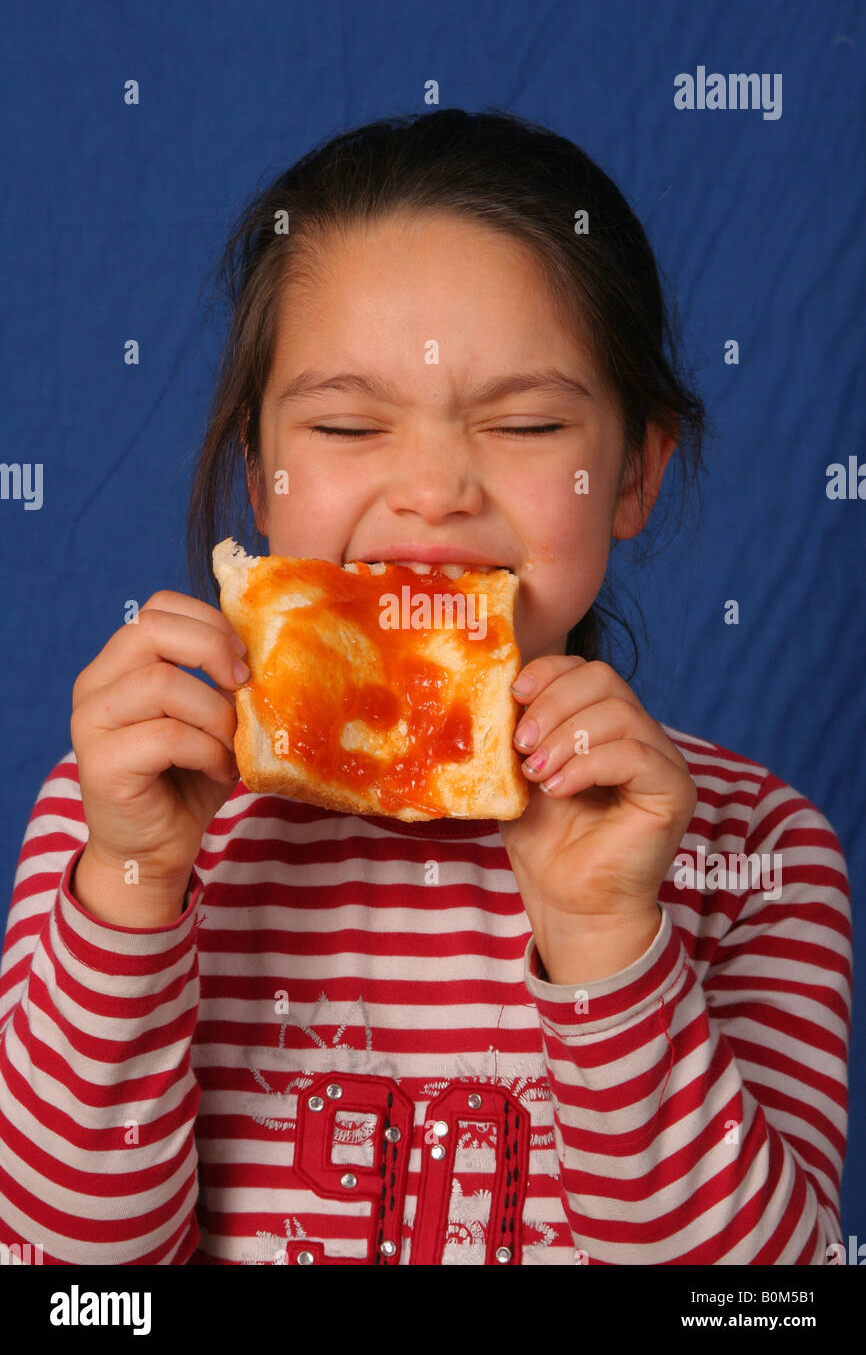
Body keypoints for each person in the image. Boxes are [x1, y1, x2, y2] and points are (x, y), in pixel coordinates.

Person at [0, 109, 851, 1266]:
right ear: (261, 477)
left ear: (634, 476)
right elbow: (69, 1272)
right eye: (349, 423)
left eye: (526, 422)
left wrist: (603, 935)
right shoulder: (117, 819)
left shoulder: (755, 849)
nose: (435, 489)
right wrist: (133, 884)